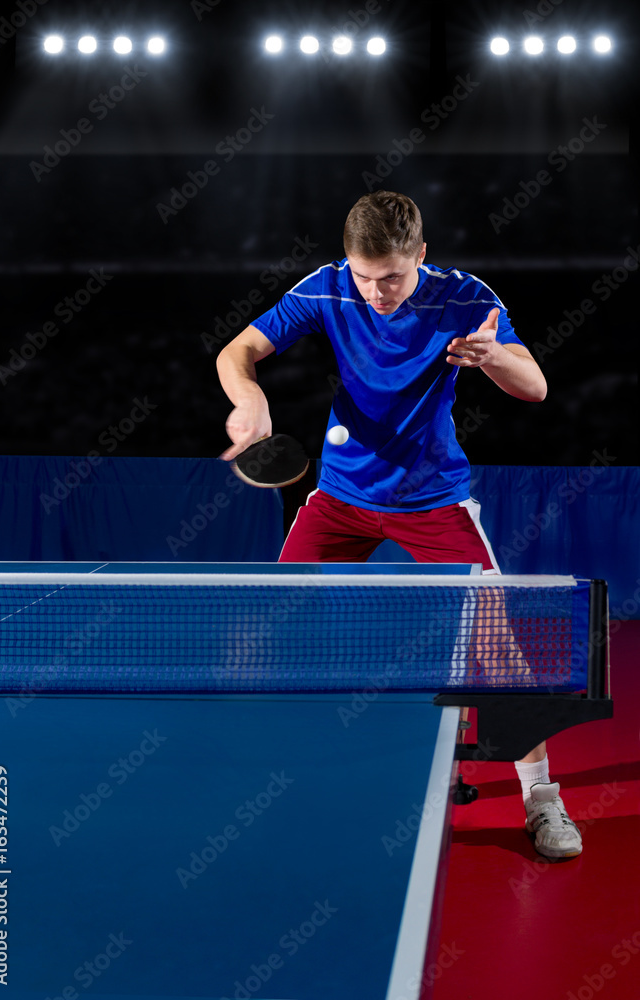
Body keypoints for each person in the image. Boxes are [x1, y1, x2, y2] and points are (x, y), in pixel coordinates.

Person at [216, 190, 582, 859]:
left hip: (433, 499)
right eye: (365, 276)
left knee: (496, 647)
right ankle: (269, 785)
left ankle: (541, 799)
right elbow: (238, 349)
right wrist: (250, 399)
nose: (377, 292)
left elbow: (536, 387)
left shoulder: (464, 296)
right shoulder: (329, 289)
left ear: (420, 254)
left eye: (390, 276)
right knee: (276, 621)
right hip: (342, 495)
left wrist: (492, 356)